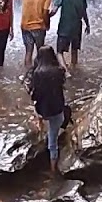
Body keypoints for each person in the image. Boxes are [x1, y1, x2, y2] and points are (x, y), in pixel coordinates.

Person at [27, 46, 67, 174]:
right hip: (57, 109)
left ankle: (40, 125)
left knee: (36, 107)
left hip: (43, 110)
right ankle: (53, 169)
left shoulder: (37, 73)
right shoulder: (59, 71)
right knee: (53, 140)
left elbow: (36, 95)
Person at [51, 0, 91, 71]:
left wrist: (45, 17)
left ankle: (65, 71)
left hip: (64, 27)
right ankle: (74, 68)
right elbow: (84, 13)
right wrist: (88, 25)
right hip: (77, 28)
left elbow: (54, 11)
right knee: (74, 50)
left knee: (59, 52)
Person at [15, 0, 54, 69]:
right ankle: (38, 73)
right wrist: (47, 24)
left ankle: (28, 75)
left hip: (25, 26)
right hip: (39, 26)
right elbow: (45, 13)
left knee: (28, 51)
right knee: (40, 50)